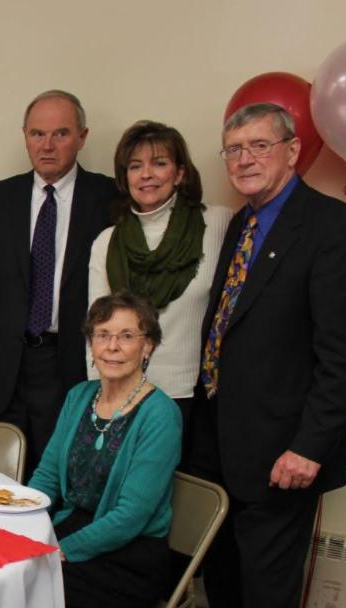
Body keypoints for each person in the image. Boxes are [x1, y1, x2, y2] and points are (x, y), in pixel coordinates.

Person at [184, 102, 346, 608]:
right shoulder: (242, 222)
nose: (243, 159)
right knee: (229, 594)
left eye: (258, 145)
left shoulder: (332, 229)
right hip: (223, 446)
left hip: (282, 456)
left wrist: (310, 447)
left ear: (293, 151)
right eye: (232, 148)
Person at [0, 90, 117, 478]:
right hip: (6, 365)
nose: (47, 145)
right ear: (25, 137)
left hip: (70, 363)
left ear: (82, 136)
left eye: (60, 134)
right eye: (37, 134)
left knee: (64, 475)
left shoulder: (109, 197)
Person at [29, 291, 180, 608]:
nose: (112, 347)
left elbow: (130, 516)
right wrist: (20, 524)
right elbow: (47, 477)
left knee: (22, 580)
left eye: (127, 336)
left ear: (148, 346)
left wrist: (60, 550)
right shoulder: (79, 397)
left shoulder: (160, 415)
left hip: (129, 558)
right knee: (4, 565)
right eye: (102, 335)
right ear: (91, 344)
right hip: (72, 528)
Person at [87, 121, 231, 428]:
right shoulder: (106, 242)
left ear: (179, 173)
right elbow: (98, 328)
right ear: (125, 178)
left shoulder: (217, 225)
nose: (146, 175)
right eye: (135, 166)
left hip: (193, 395)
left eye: (160, 163)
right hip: (125, 396)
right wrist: (100, 397)